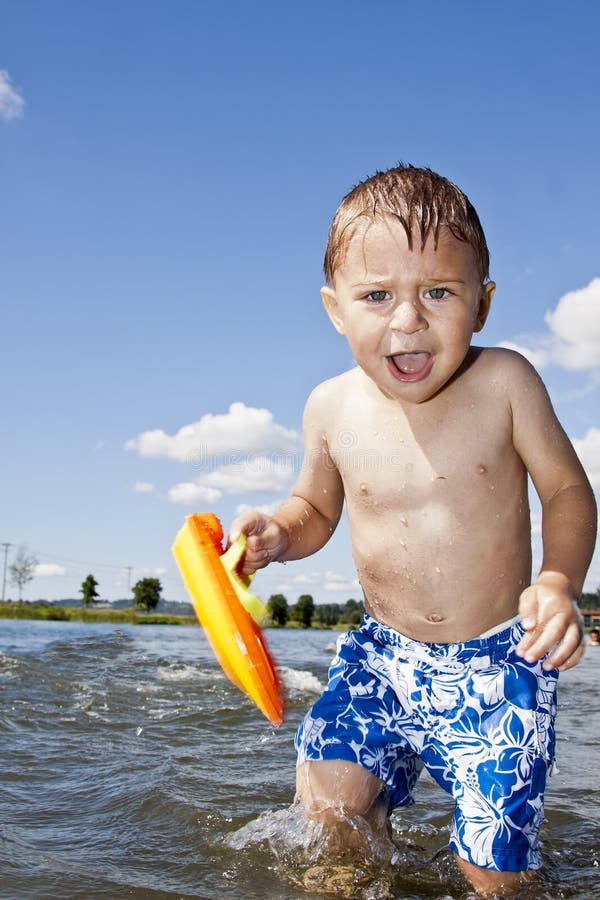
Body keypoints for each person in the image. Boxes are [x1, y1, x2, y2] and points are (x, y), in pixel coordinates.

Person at [229, 165, 597, 895]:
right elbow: (316, 511)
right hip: (382, 658)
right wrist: (275, 533)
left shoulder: (506, 384)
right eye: (377, 295)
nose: (407, 320)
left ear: (482, 304)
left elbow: (567, 490)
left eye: (437, 292)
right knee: (327, 816)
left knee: (493, 878)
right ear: (336, 310)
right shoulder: (330, 408)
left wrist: (557, 582)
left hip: (500, 665)